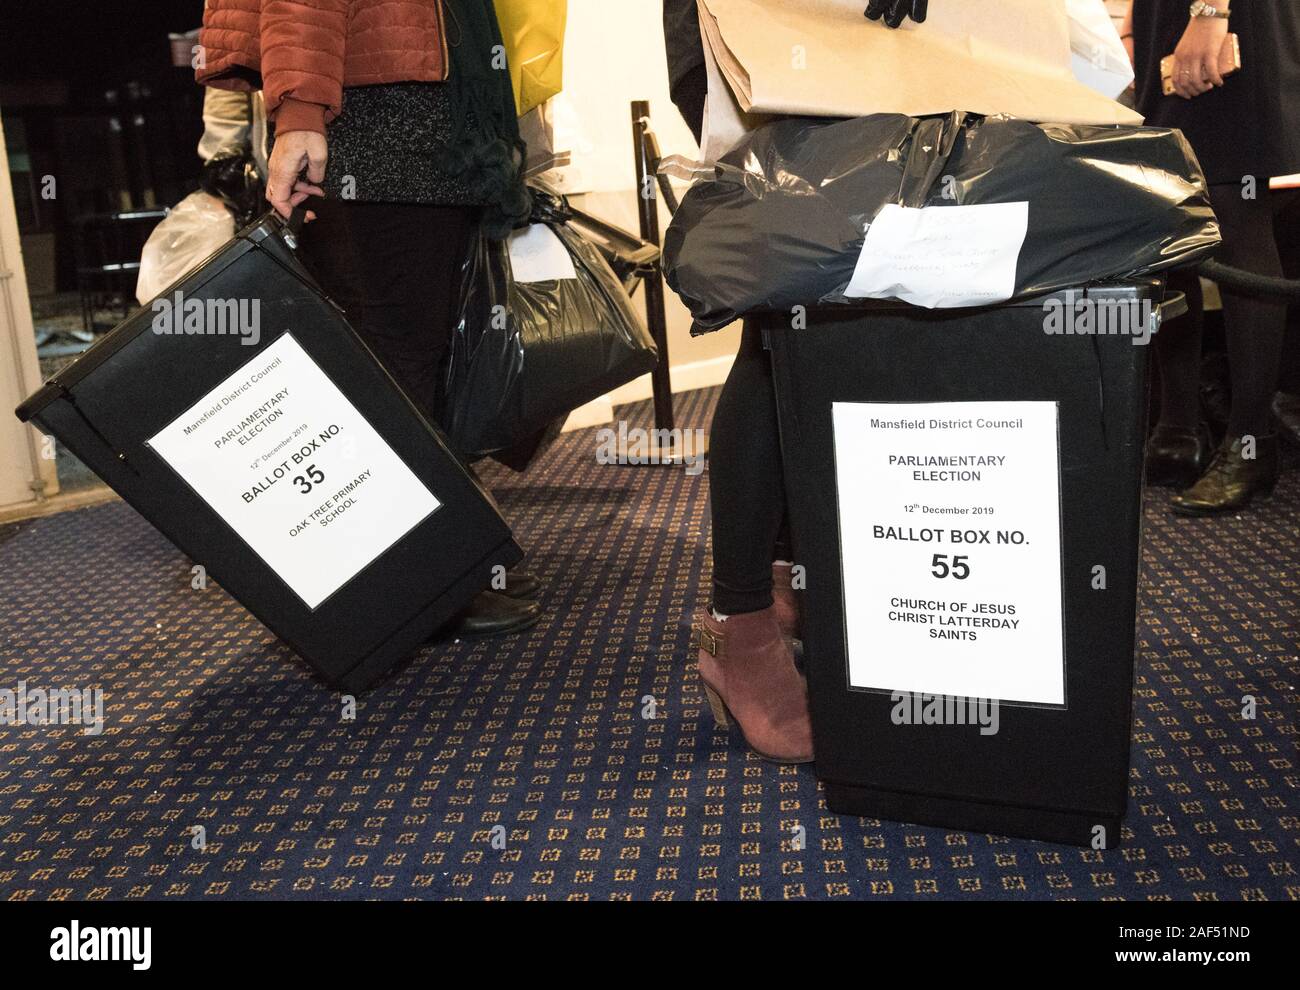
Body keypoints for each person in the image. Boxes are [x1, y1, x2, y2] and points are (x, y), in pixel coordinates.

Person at [197, 0, 542, 637]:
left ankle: (434, 550)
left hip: (423, 111)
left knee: (417, 346)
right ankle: (422, 573)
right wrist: (299, 114)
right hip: (377, 114)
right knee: (393, 352)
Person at [663, 0, 929, 764]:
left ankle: (780, 579)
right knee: (785, 310)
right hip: (761, 27)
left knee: (839, 301)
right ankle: (738, 622)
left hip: (864, 35)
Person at [1125, 0, 1300, 514]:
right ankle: (1178, 430)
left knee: (1233, 208)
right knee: (1172, 206)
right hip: (1174, 14)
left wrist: (1209, 12)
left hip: (1224, 14)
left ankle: (1250, 444)